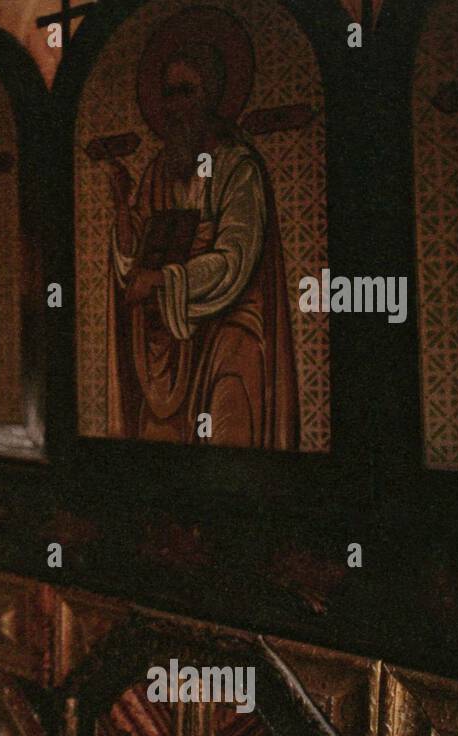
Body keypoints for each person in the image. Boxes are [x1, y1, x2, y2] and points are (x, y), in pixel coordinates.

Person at [105, 36, 298, 448]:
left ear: (210, 96)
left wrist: (160, 280)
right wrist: (122, 205)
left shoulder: (237, 167)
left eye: (186, 92)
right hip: (169, 331)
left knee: (236, 358)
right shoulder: (160, 170)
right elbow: (130, 261)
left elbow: (234, 260)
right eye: (169, 94)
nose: (175, 106)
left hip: (230, 317)